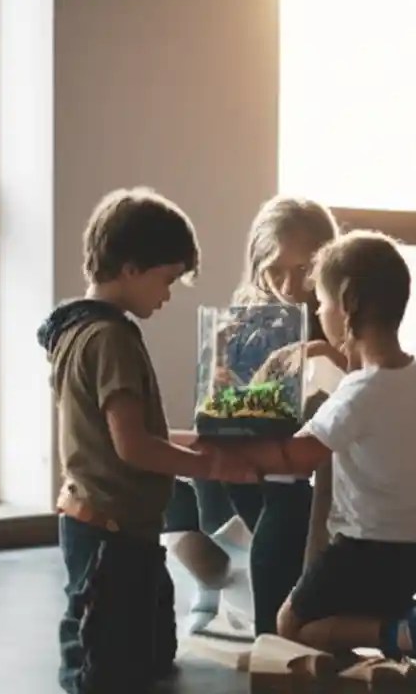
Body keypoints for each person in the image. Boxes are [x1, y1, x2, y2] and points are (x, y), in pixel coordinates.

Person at [194, 231, 416, 692]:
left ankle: (408, 628)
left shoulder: (357, 393)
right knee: (330, 616)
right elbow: (371, 412)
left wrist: (231, 447)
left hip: (367, 550)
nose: (319, 313)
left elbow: (298, 457)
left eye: (323, 303)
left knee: (290, 624)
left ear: (347, 302)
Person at [38, 187, 258, 694]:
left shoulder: (77, 329)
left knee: (151, 652)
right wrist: (216, 469)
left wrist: (195, 442)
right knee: (102, 668)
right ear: (131, 267)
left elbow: (122, 431)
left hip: (120, 529)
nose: (166, 294)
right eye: (166, 280)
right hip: (109, 537)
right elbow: (132, 447)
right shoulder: (111, 339)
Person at [168, 196, 346, 636]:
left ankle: (241, 580)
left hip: (304, 478)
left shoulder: (340, 320)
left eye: (303, 270)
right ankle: (218, 578)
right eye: (274, 270)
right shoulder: (243, 322)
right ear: (256, 264)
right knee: (171, 485)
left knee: (277, 505)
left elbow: (364, 398)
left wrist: (322, 356)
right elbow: (213, 418)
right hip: (242, 465)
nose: (288, 286)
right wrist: (222, 383)